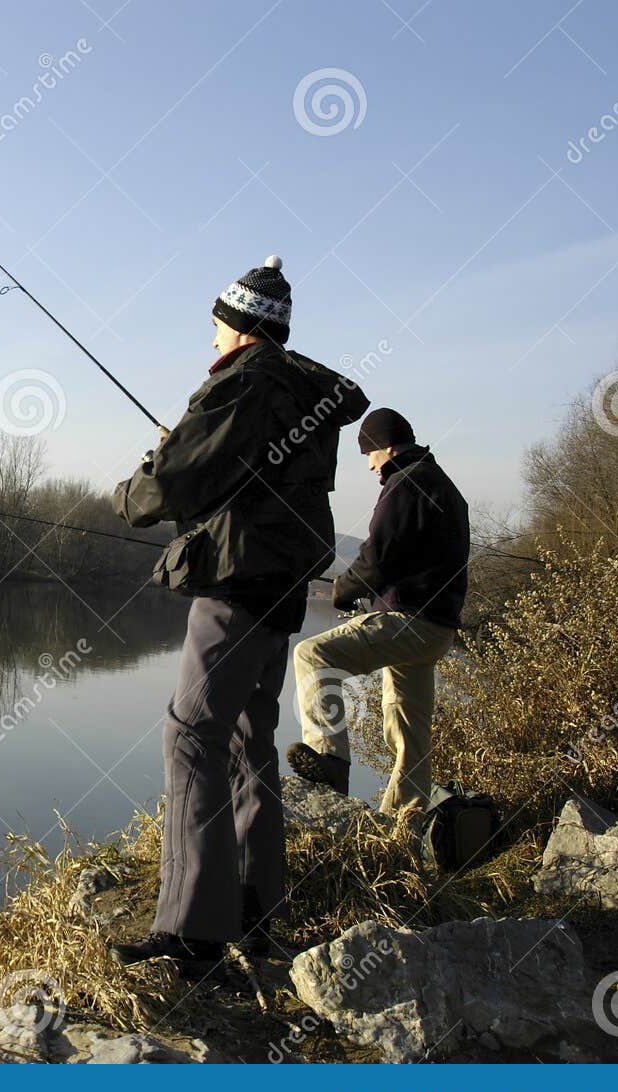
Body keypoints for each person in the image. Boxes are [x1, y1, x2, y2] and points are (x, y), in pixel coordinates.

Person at [110, 255, 368, 967]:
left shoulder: (246, 383)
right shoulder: (302, 392)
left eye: (217, 329)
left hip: (240, 583)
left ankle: (192, 930)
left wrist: (135, 485)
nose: (212, 342)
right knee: (248, 739)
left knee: (191, 733)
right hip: (281, 588)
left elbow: (177, 481)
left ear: (243, 327)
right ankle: (256, 908)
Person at [287, 407, 469, 814]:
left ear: (386, 446)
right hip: (438, 630)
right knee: (409, 730)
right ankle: (406, 820)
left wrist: (343, 589)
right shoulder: (444, 487)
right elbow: (404, 557)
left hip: (411, 620)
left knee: (312, 655)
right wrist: (363, 590)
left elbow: (377, 557)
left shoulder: (407, 484)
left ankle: (329, 757)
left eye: (369, 454)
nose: (370, 466)